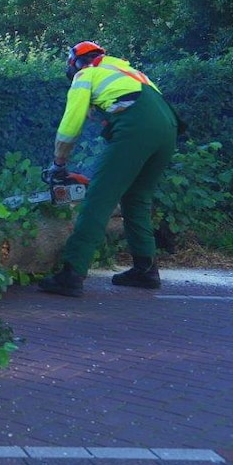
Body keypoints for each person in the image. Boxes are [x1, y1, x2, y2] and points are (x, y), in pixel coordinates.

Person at [37, 41, 179, 297]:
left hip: (137, 127)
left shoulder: (86, 74)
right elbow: (121, 112)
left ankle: (71, 273)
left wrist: (58, 163)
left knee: (99, 199)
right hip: (168, 129)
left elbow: (71, 125)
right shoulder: (127, 71)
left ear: (75, 64)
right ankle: (145, 269)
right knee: (136, 198)